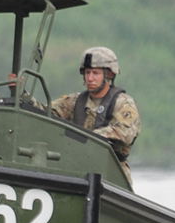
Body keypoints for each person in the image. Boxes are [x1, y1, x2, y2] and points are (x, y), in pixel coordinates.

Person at [49, 46, 140, 182]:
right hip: (78, 170)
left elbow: (124, 132)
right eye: (87, 73)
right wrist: (23, 96)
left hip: (111, 173)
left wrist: (90, 137)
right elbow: (47, 112)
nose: (90, 78)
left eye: (95, 73)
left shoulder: (123, 104)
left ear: (109, 74)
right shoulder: (76, 101)